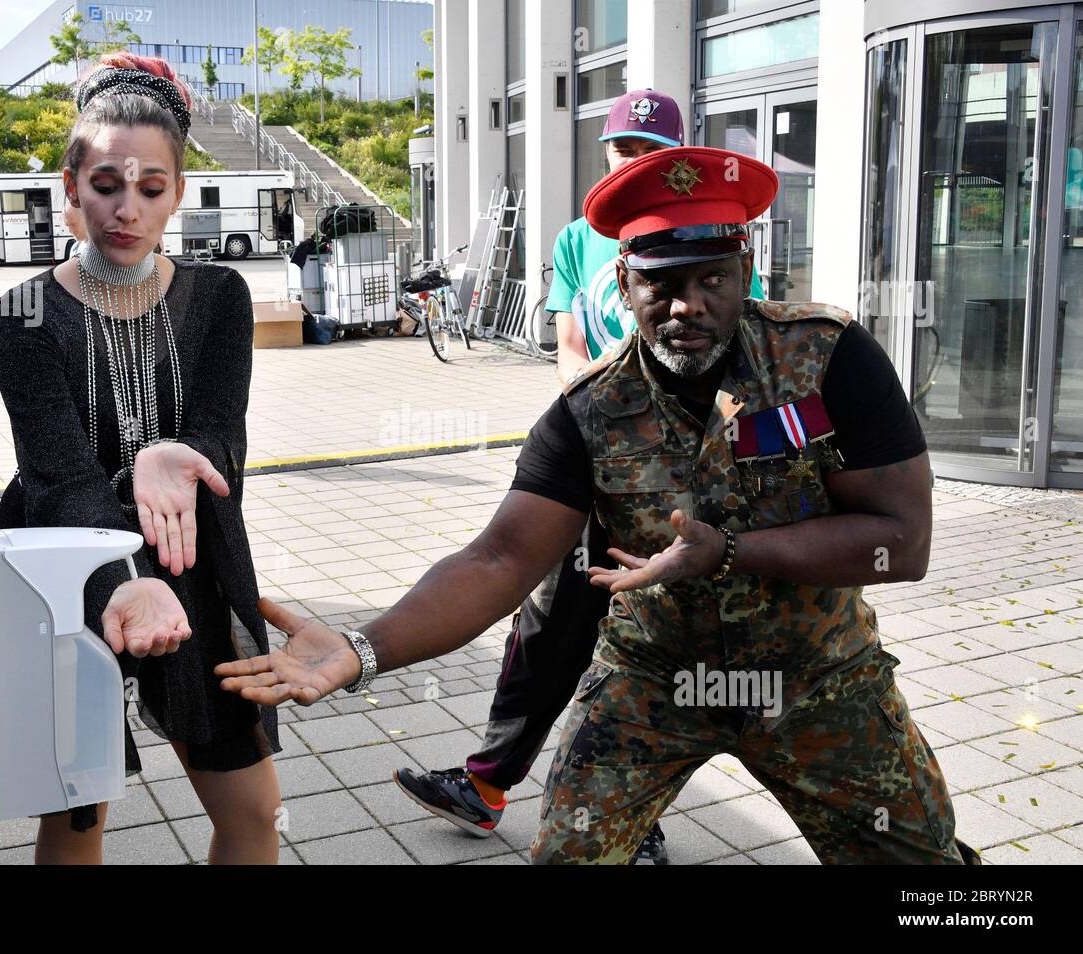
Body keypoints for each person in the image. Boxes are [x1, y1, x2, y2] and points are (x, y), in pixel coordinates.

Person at [217, 145, 979, 866]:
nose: (688, 305)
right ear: (623, 283)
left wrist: (735, 552)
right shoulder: (589, 410)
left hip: (816, 679)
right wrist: (364, 648)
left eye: (712, 278)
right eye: (662, 284)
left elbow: (902, 541)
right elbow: (500, 557)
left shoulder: (830, 358)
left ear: (745, 269)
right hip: (654, 681)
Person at [0, 51, 282, 865]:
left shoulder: (220, 297)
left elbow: (225, 434)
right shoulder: (23, 315)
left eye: (151, 189)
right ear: (71, 186)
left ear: (177, 193)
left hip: (193, 554)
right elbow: (57, 472)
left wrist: (176, 451)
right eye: (107, 185)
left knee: (253, 804)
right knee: (79, 813)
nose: (127, 209)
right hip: (65, 569)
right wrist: (125, 581)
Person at [392, 90, 701, 864]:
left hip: (675, 491)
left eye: (650, 149)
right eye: (623, 147)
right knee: (547, 628)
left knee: (646, 648)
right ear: (605, 152)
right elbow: (568, 342)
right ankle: (486, 787)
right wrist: (594, 420)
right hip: (590, 470)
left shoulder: (704, 239)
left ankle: (638, 821)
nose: (633, 160)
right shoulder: (578, 238)